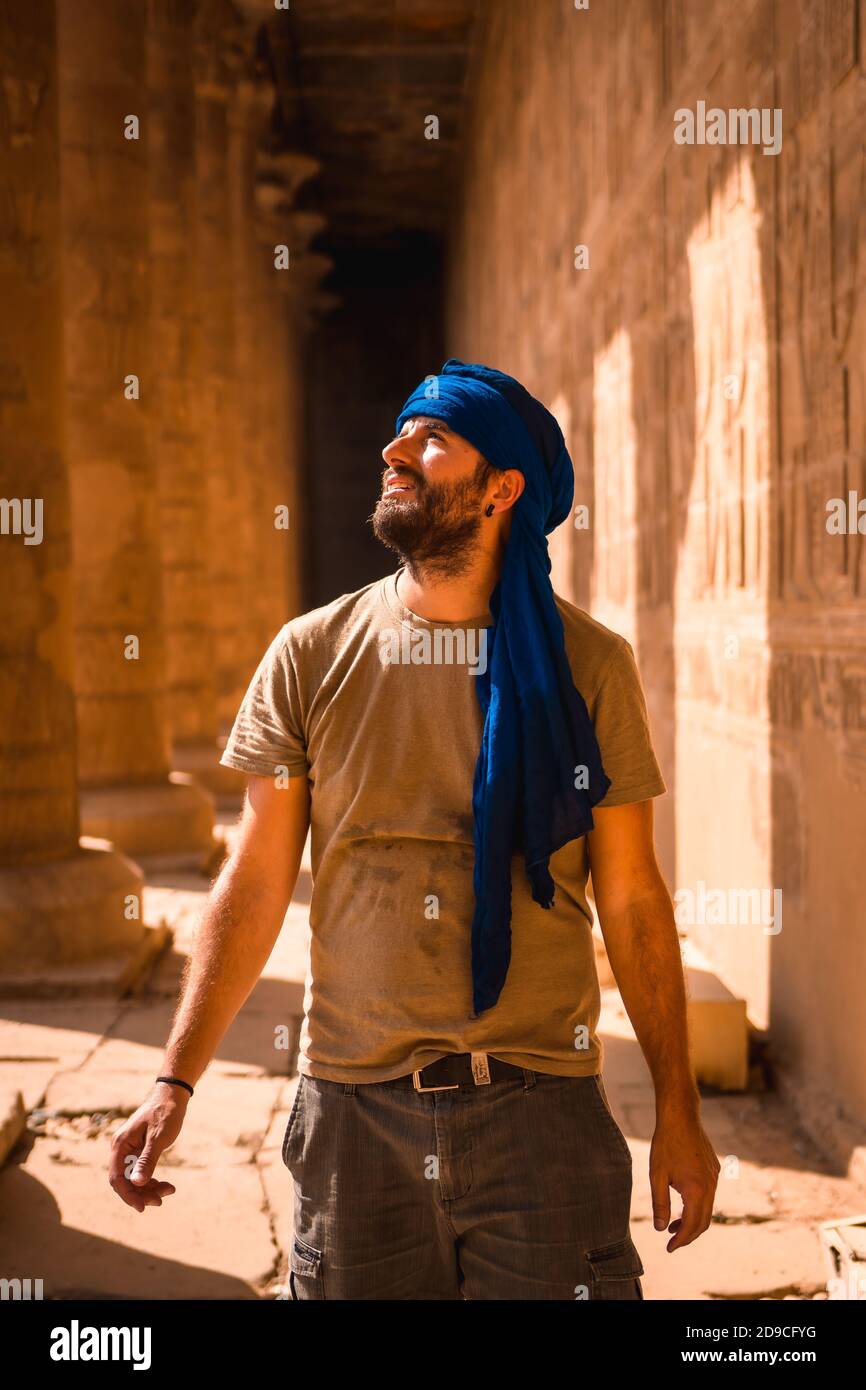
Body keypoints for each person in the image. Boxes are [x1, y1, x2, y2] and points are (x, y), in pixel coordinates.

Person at [109, 359, 719, 1300]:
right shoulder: (309, 653)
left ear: (501, 489)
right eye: (400, 430)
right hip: (353, 1117)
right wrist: (175, 1079)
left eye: (431, 438)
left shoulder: (591, 667)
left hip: (541, 1109)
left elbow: (633, 891)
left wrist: (678, 1104)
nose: (394, 450)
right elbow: (257, 877)